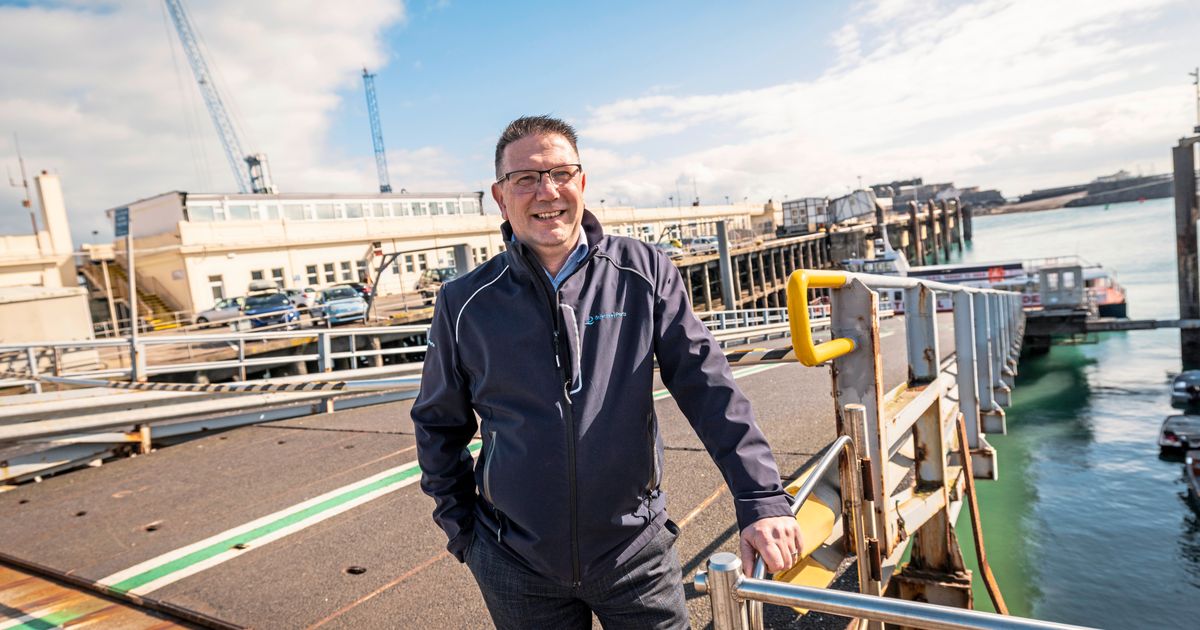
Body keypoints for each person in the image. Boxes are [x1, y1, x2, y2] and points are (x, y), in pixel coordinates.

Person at [411, 115, 801, 629]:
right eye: (524, 178)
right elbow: (439, 423)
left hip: (634, 553)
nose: (546, 191)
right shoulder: (464, 301)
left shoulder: (642, 270)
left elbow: (707, 385)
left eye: (560, 173)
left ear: (583, 183)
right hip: (516, 564)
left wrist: (761, 497)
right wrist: (466, 535)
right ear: (500, 197)